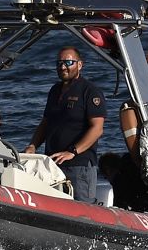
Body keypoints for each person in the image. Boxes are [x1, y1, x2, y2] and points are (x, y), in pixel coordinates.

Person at [23, 46, 106, 203]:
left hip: (78, 165)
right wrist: (33, 145)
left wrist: (73, 152)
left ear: (79, 64)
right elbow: (46, 122)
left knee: (82, 210)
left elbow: (97, 128)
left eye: (68, 62)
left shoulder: (90, 91)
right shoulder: (54, 91)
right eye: (59, 63)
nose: (63, 67)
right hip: (52, 163)